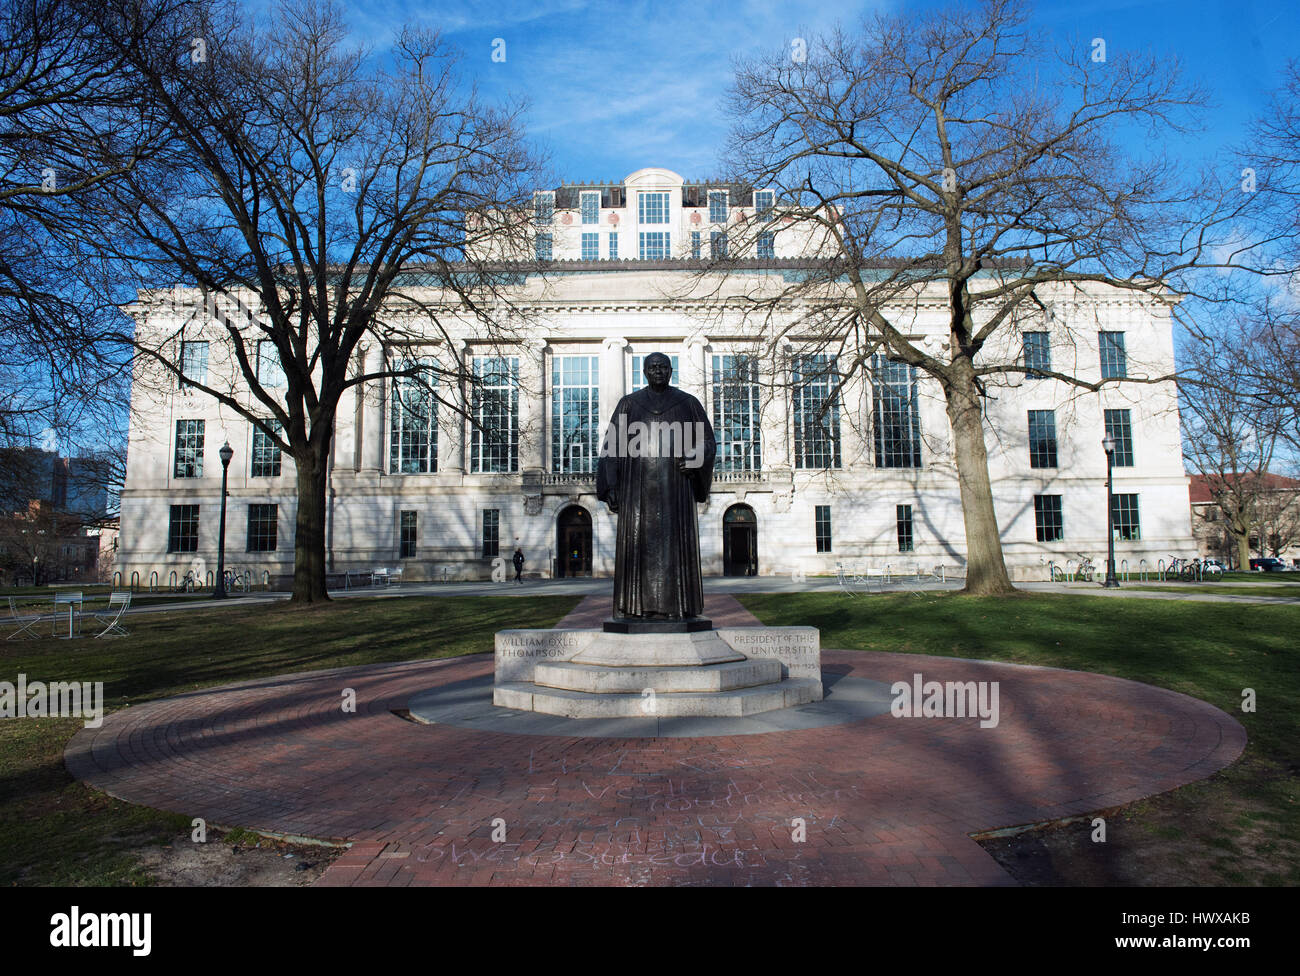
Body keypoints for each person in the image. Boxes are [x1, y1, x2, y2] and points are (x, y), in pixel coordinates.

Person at [596, 352, 716, 619]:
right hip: (637, 491)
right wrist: (611, 485)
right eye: (653, 368)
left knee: (675, 545)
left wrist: (695, 459)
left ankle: (678, 607)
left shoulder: (688, 403)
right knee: (638, 545)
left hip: (677, 487)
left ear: (671, 371)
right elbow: (612, 445)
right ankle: (636, 608)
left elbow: (708, 442)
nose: (658, 371)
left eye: (663, 367)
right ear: (645, 372)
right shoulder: (629, 404)